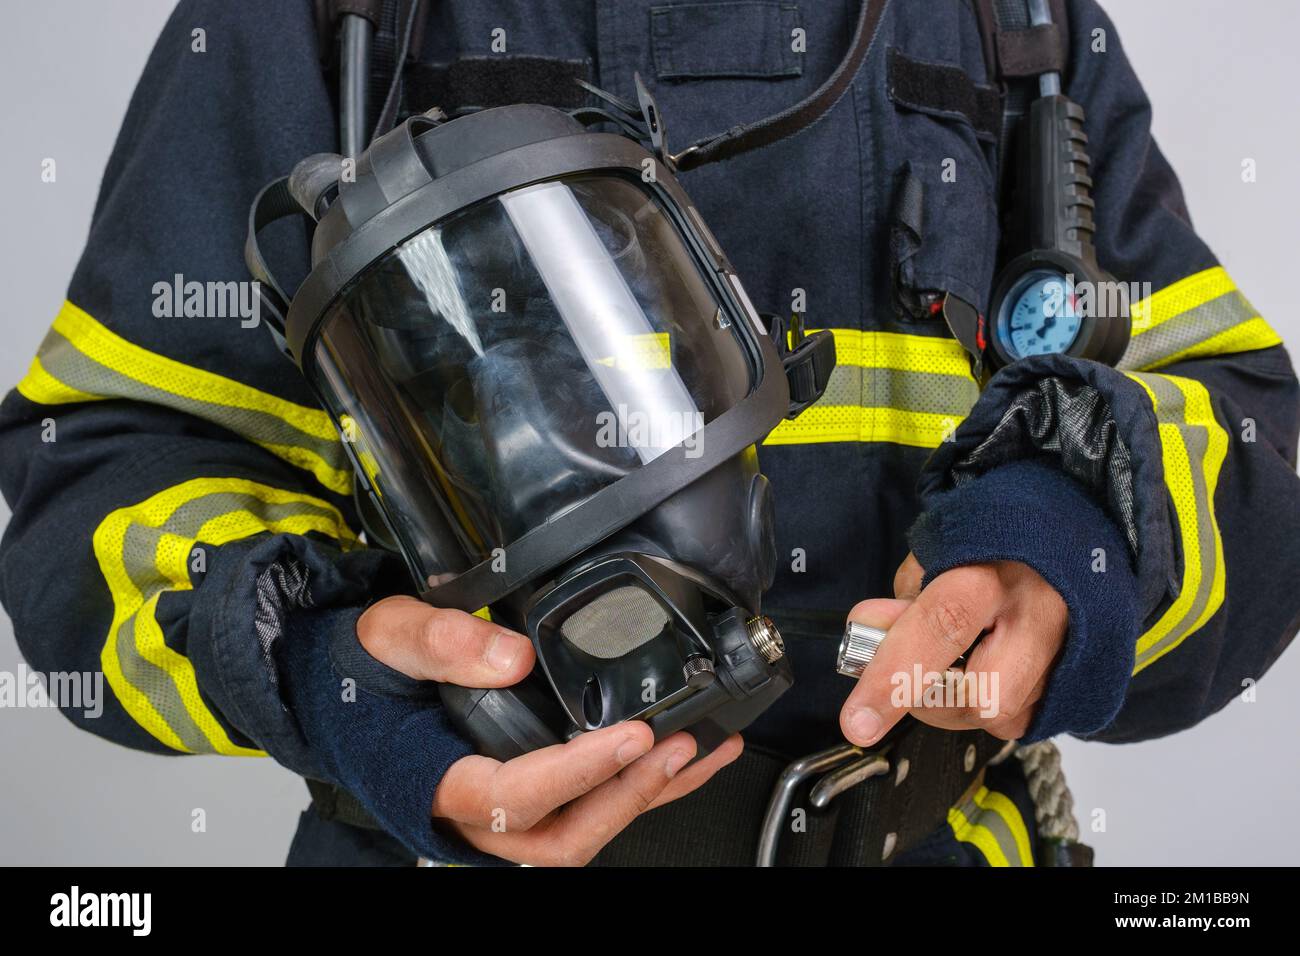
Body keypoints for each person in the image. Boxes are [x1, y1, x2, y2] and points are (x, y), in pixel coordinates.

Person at [1, 0, 1296, 867]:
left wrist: (1076, 537)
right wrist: (330, 669)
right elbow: (96, 486)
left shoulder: (1015, 21)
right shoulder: (322, 16)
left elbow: (1257, 446)